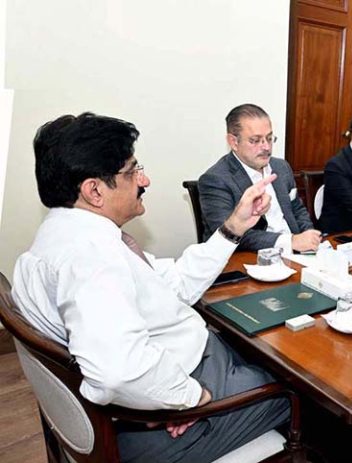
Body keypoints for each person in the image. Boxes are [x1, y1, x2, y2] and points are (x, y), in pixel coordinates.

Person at [12, 113, 289, 463]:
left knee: (264, 355)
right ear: (94, 190)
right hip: (169, 408)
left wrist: (234, 226)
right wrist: (188, 399)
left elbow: (169, 286)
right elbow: (117, 374)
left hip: (178, 370)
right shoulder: (90, 259)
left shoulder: (66, 238)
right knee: (304, 394)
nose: (145, 179)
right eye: (132, 170)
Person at [198, 104, 320, 253]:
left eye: (269, 138)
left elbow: (297, 210)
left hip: (295, 253)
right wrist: (290, 241)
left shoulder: (281, 167)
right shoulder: (215, 179)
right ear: (233, 142)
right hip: (251, 259)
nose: (266, 147)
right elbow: (228, 234)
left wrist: (309, 238)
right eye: (255, 140)